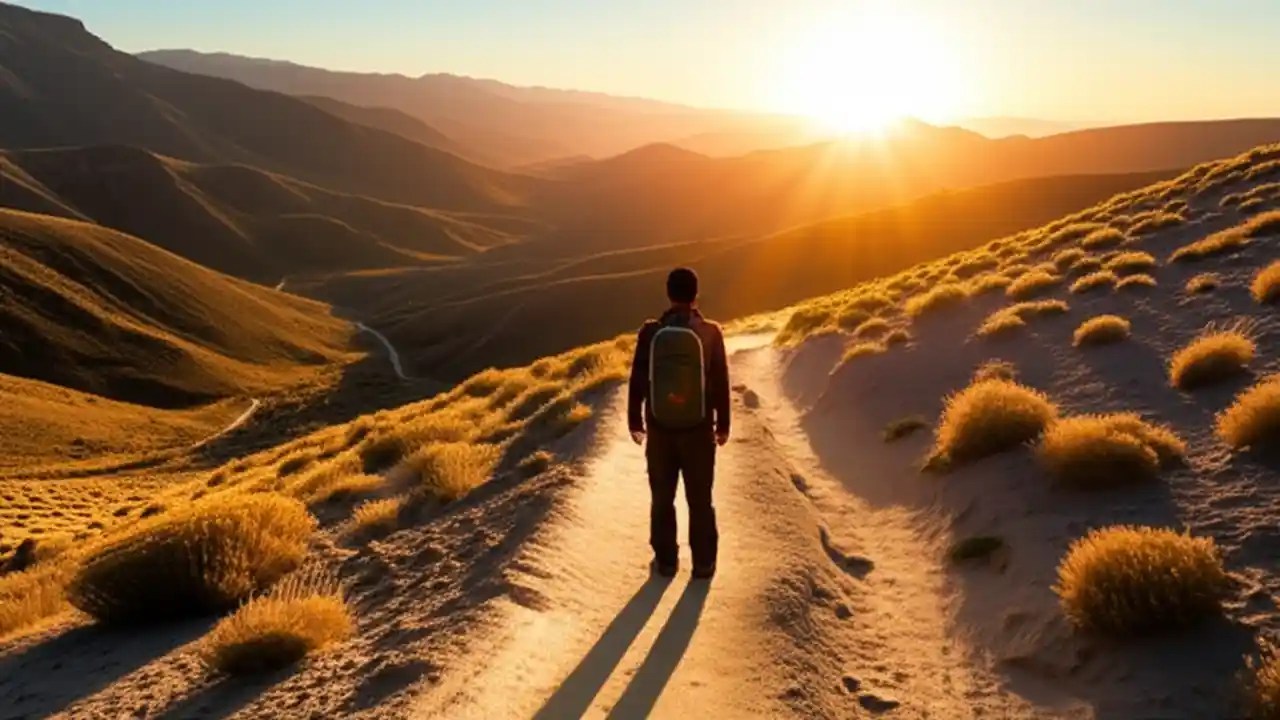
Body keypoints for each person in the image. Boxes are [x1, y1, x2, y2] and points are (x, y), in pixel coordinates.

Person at [627, 267, 730, 580]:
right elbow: (720, 381)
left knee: (662, 497)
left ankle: (667, 561)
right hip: (698, 430)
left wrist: (635, 421)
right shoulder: (711, 332)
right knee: (700, 498)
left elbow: (638, 380)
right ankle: (703, 564)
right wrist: (722, 425)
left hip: (660, 429)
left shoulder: (650, 332)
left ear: (668, 293)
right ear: (695, 293)